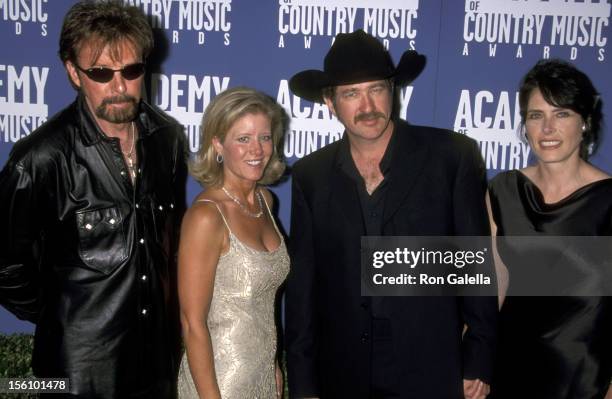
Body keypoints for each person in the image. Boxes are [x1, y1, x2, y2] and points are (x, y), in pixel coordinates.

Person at [285, 29, 498, 399]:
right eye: (351, 93)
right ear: (330, 102)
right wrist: (302, 381)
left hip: (431, 363)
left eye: (376, 89)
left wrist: (478, 357)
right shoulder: (310, 175)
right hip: (342, 368)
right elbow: (304, 287)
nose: (367, 106)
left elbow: (474, 263)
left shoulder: (450, 156)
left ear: (393, 91)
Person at [0, 1, 187, 397]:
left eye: (132, 71)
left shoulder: (166, 139)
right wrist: (63, 316)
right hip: (77, 374)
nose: (119, 87)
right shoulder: (40, 158)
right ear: (73, 72)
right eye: (101, 73)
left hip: (156, 367)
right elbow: (5, 265)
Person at [487, 59, 612, 399]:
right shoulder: (503, 190)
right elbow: (492, 289)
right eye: (536, 115)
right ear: (524, 124)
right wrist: (475, 362)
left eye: (562, 114)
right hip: (510, 371)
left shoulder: (608, 199)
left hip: (583, 378)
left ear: (584, 122)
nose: (547, 128)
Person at [176, 87, 289, 399]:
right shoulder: (206, 217)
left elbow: (262, 307)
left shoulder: (265, 201)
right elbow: (192, 322)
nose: (257, 149)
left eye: (264, 137)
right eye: (243, 138)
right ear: (218, 144)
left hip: (262, 377)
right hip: (218, 382)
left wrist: (272, 366)